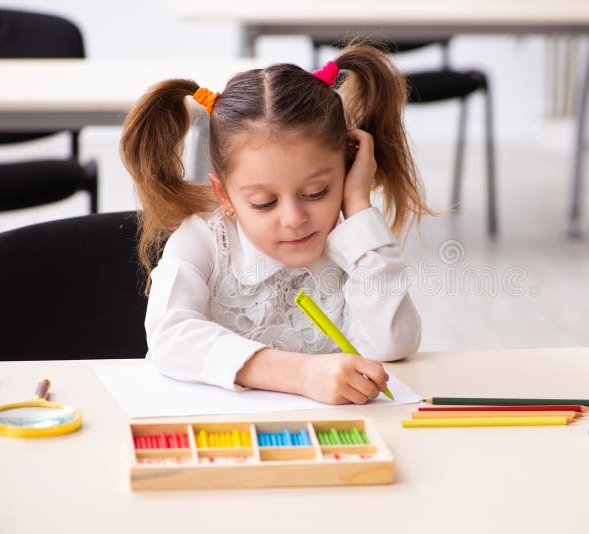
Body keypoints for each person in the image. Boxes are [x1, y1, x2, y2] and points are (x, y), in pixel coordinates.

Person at [120, 43, 432, 405]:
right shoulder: (202, 239)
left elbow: (393, 343)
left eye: (316, 193)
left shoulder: (353, 240)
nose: (294, 219)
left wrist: (359, 207)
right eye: (264, 203)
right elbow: (169, 336)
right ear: (224, 195)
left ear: (347, 171)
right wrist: (301, 375)